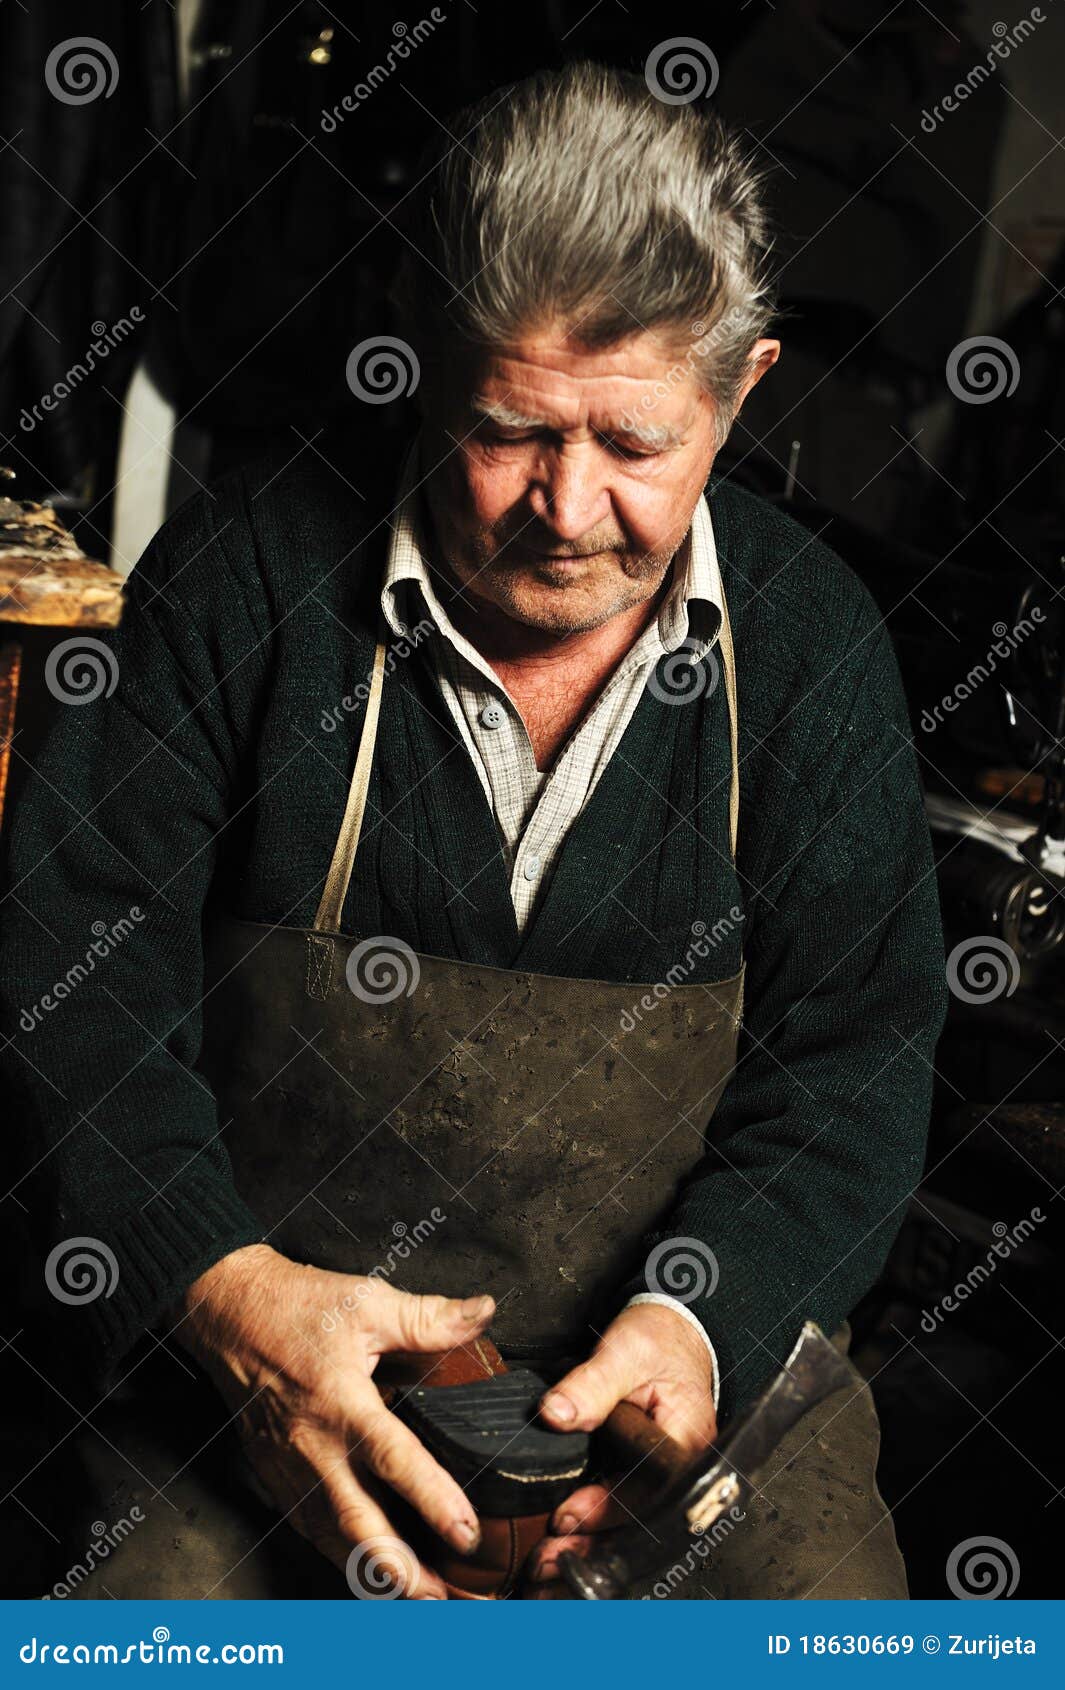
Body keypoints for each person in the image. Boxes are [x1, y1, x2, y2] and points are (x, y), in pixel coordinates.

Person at [0, 61, 946, 1600]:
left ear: (743, 390)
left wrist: (707, 1320)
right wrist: (215, 1281)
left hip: (676, 1374)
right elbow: (69, 974)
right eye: (507, 426)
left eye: (633, 445)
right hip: (262, 1351)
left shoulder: (811, 646)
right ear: (425, 368)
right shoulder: (244, 574)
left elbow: (855, 1058)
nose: (565, 509)